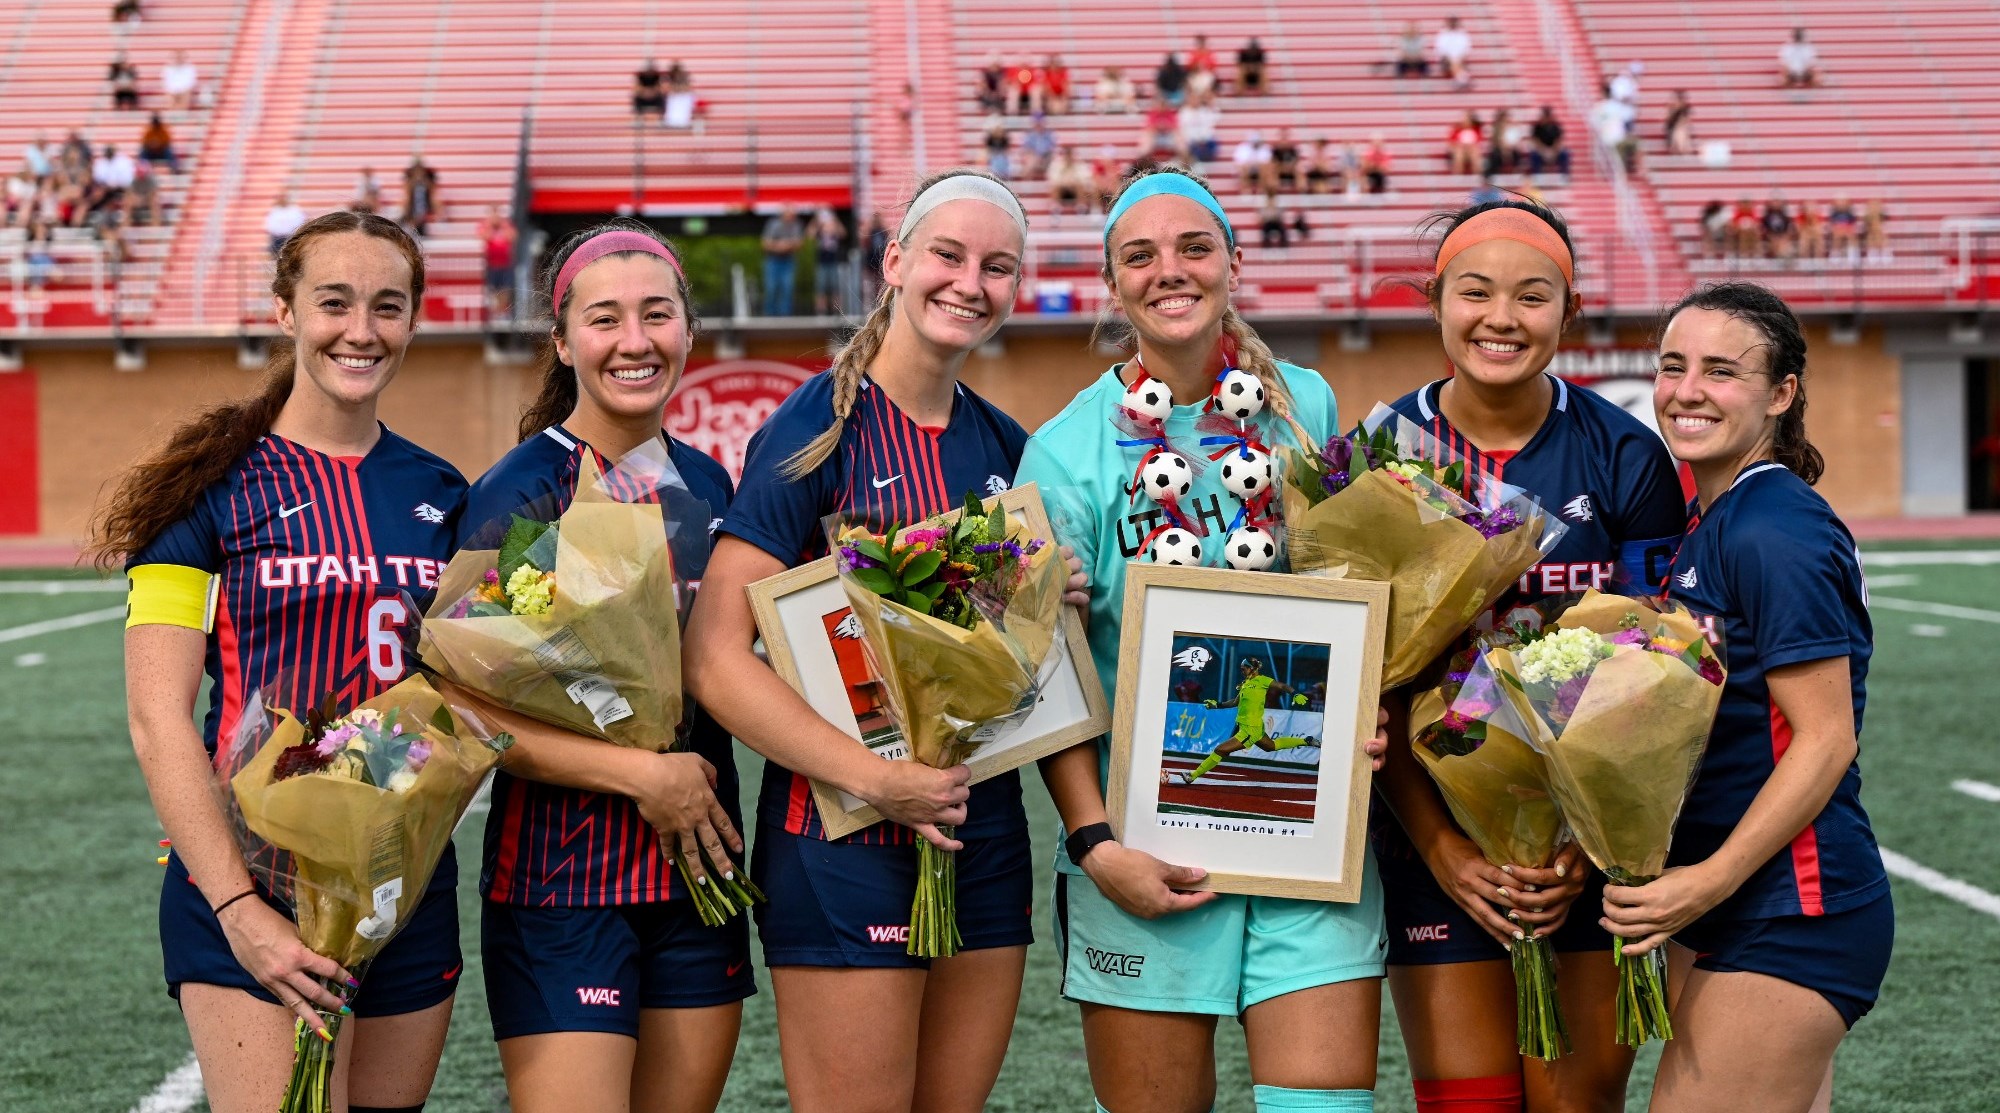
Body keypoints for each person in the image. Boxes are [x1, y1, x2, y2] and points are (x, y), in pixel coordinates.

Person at [1017, 165, 1390, 1113]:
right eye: (1139, 256)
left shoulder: (1303, 401)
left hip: (1308, 833)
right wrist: (1096, 844)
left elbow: (1343, 592)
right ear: (1113, 283)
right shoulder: (1064, 448)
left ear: (1233, 260)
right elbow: (1045, 673)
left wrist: (1367, 708)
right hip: (1143, 848)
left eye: (1193, 247)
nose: (1168, 271)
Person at [685, 170, 1053, 1113]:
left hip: (983, 827)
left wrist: (1053, 596)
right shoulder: (812, 431)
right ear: (895, 262)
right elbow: (716, 656)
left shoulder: (1010, 448)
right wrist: (876, 777)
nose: (970, 281)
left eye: (998, 266)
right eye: (948, 254)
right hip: (840, 834)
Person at [91, 211, 465, 1113]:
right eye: (333, 302)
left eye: (388, 306)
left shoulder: (443, 493)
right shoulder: (208, 487)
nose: (361, 330)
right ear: (285, 313)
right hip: (249, 880)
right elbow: (157, 718)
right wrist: (237, 911)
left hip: (404, 886)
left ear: (413, 320)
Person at [1373, 199, 1688, 1113]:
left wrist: (1593, 847)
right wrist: (1440, 850)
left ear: (1569, 311)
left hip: (1595, 852)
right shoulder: (1386, 451)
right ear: (1437, 301)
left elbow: (1655, 675)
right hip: (1435, 842)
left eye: (1532, 296)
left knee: (1573, 1106)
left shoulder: (1627, 455)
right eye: (1475, 291)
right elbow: (1370, 683)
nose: (1501, 318)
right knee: (1468, 1104)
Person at [448, 219, 752, 1113]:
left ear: (688, 331)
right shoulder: (521, 489)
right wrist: (637, 773)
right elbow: (467, 705)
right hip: (559, 882)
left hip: (702, 866)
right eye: (605, 318)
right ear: (562, 338)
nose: (634, 341)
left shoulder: (711, 485)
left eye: (656, 316)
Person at [1631, 281, 1892, 1111]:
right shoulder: (1714, 520)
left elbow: (1825, 739)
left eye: (1721, 370)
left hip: (1790, 907)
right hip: (1731, 901)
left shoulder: (1773, 525)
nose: (1688, 390)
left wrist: (1705, 881)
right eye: (1674, 367)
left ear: (1781, 394)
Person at [1177, 658, 1314, 784]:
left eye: (1244, 668)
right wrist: (1217, 705)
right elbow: (1235, 702)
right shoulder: (1246, 684)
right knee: (1271, 746)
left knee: (1220, 750)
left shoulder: (1262, 680)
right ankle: (1306, 740)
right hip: (1248, 727)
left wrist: (1295, 694)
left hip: (1251, 728)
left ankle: (1193, 775)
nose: (1242, 671)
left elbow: (1283, 686)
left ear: (1252, 668)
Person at [760, 203, 804, 316]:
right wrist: (782, 245)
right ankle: (770, 316)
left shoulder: (796, 225)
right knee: (771, 289)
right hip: (773, 260)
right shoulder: (773, 224)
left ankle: (785, 317)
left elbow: (799, 243)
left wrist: (784, 245)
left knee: (787, 289)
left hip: (788, 260)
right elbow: (765, 243)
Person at [480, 205, 515, 318]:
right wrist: (491, 225)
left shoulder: (505, 226)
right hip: (492, 265)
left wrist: (502, 226)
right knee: (494, 289)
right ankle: (497, 312)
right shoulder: (486, 227)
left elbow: (512, 236)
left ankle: (502, 311)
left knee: (505, 289)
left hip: (505, 264)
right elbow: (485, 236)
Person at [811, 206, 847, 316]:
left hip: (834, 261)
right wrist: (817, 221)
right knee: (820, 288)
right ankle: (821, 311)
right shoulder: (818, 228)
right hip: (821, 261)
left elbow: (843, 233)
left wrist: (835, 220)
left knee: (835, 287)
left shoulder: (835, 227)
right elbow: (810, 235)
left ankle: (836, 311)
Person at [1527, 106, 1570, 178]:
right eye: (1544, 116)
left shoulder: (1556, 127)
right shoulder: (1537, 127)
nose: (1546, 118)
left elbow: (1559, 141)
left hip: (1554, 150)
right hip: (1541, 150)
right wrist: (1543, 151)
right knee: (1534, 155)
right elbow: (1535, 141)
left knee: (1565, 153)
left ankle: (1564, 177)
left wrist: (1553, 151)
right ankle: (1538, 178)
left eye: (1547, 116)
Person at [401, 157, 437, 236]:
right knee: (405, 202)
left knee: (436, 200)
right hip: (413, 208)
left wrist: (423, 180)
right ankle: (412, 223)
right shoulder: (410, 181)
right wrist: (414, 181)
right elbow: (406, 191)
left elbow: (433, 189)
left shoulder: (427, 179)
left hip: (425, 206)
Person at [1179, 98, 1221, 163]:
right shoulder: (1184, 112)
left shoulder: (1204, 111)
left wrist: (1203, 138)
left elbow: (1210, 125)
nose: (1194, 101)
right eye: (1193, 99)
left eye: (1196, 99)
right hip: (1191, 142)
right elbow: (1182, 129)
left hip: (1205, 141)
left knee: (1213, 145)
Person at [1435, 17, 1472, 89]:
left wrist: (1460, 57)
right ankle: (1463, 79)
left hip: (1460, 59)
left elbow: (1467, 49)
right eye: (1451, 21)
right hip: (1446, 61)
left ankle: (1460, 80)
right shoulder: (1442, 34)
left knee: (1456, 62)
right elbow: (1440, 50)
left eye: (1454, 21)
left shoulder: (1463, 34)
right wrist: (1450, 58)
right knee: (1454, 62)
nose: (1453, 23)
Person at [1270, 128, 1303, 192]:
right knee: (1272, 172)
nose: (1284, 138)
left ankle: (1302, 193)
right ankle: (1274, 192)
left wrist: (1289, 167)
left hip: (1291, 171)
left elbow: (1296, 162)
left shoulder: (1293, 150)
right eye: (1282, 136)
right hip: (1279, 171)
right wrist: (1283, 167)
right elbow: (1274, 163)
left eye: (1285, 136)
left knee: (1299, 172)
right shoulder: (1275, 150)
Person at [983, 114, 1013, 179]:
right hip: (994, 157)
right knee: (995, 161)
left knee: (1002, 160)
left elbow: (1007, 151)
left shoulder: (1004, 138)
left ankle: (1003, 175)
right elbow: (988, 150)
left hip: (1001, 157)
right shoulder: (990, 138)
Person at [1665, 90, 1695, 156]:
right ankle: (1679, 148)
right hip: (1673, 129)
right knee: (1678, 133)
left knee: (1680, 132)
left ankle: (1682, 148)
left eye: (1676, 99)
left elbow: (1686, 120)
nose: (1674, 100)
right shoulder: (1671, 108)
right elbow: (1668, 120)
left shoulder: (1686, 108)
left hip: (1681, 128)